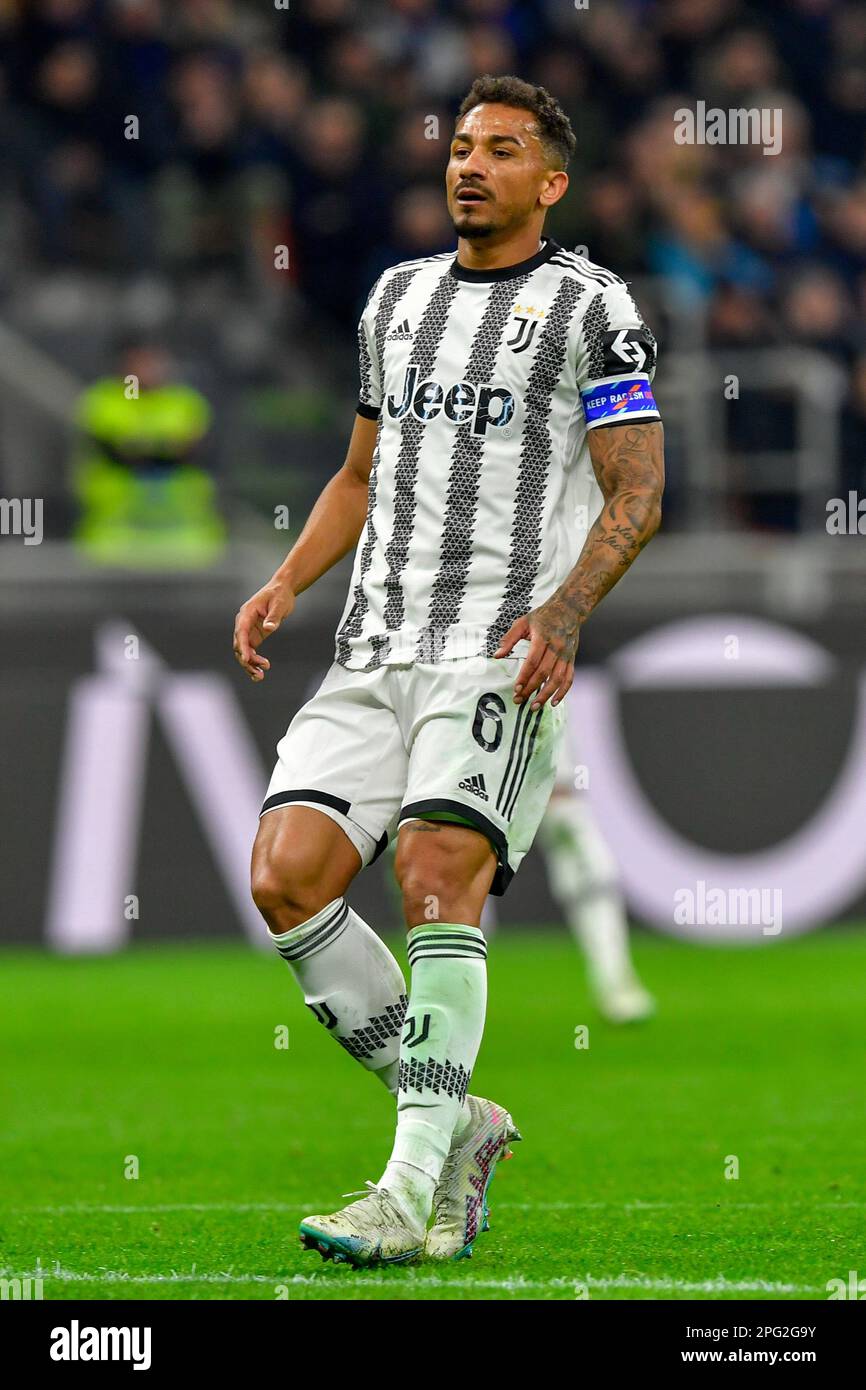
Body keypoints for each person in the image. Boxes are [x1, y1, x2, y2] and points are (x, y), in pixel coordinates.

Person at [234, 74, 665, 1266]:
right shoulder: (397, 298)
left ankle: (407, 1181)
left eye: (501, 150)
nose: (469, 166)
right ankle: (458, 1118)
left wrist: (566, 611)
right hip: (374, 640)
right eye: (460, 146)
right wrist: (287, 582)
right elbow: (359, 473)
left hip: (495, 647)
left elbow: (635, 487)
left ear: (550, 181)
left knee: (433, 871)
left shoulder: (590, 307)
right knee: (287, 876)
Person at [73, 338, 224, 568]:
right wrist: (165, 446)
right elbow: (115, 451)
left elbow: (190, 451)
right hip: (115, 538)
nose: (147, 368)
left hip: (184, 540)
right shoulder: (103, 400)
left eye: (153, 360)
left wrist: (139, 446)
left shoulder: (185, 402)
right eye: (139, 361)